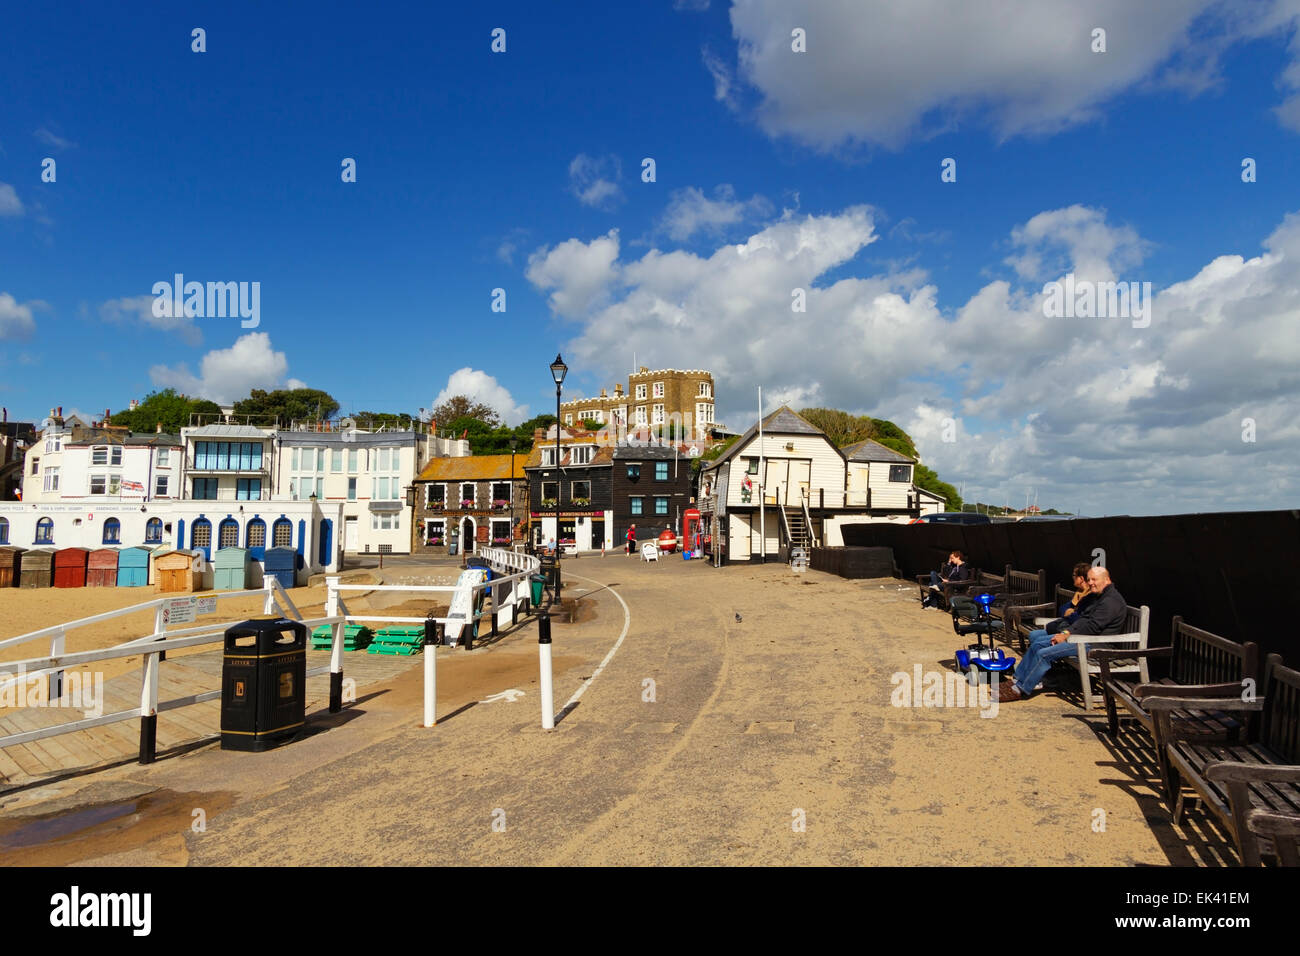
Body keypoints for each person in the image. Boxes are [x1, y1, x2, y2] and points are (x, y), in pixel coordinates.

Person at [998, 566, 1128, 702]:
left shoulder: (1110, 601)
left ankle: (1021, 689)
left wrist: (1066, 635)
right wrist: (1066, 632)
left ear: (1106, 579)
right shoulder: (1101, 597)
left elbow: (1092, 627)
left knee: (1044, 654)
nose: (1090, 583)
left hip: (1096, 644)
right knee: (1037, 644)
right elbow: (1084, 619)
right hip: (1083, 638)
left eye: (1094, 579)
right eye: (1089, 580)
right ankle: (1017, 679)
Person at [1046, 562, 1095, 634]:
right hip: (1068, 626)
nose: (1072, 577)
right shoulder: (1079, 592)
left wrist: (1071, 613)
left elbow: (1078, 617)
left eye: (1074, 575)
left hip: (1075, 632)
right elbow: (1062, 608)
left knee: (1039, 638)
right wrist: (1069, 611)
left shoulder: (1090, 595)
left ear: (1081, 578)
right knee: (1049, 627)